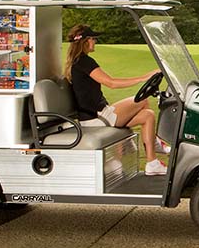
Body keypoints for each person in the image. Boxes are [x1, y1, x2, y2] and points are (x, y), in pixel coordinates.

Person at [64, 24, 169, 175]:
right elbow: (111, 83)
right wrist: (143, 77)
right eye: (93, 39)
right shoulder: (84, 62)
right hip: (96, 118)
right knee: (143, 101)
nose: (95, 42)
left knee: (148, 115)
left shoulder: (78, 62)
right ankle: (155, 143)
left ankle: (152, 163)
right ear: (85, 41)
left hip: (100, 113)